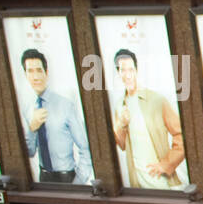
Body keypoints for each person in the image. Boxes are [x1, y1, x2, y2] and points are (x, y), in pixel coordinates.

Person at [110, 49, 187, 189]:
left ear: (136, 70)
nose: (127, 75)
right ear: (118, 73)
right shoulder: (119, 105)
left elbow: (182, 135)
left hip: (163, 183)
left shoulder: (156, 100)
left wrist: (166, 164)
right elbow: (122, 145)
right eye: (122, 70)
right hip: (138, 184)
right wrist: (120, 125)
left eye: (131, 70)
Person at [20, 49, 93, 184]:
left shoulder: (65, 105)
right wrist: (32, 128)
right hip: (43, 178)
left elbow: (85, 147)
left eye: (38, 70)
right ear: (25, 75)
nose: (35, 77)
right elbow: (29, 152)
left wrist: (78, 183)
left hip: (67, 178)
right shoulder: (28, 108)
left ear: (46, 73)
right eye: (30, 71)